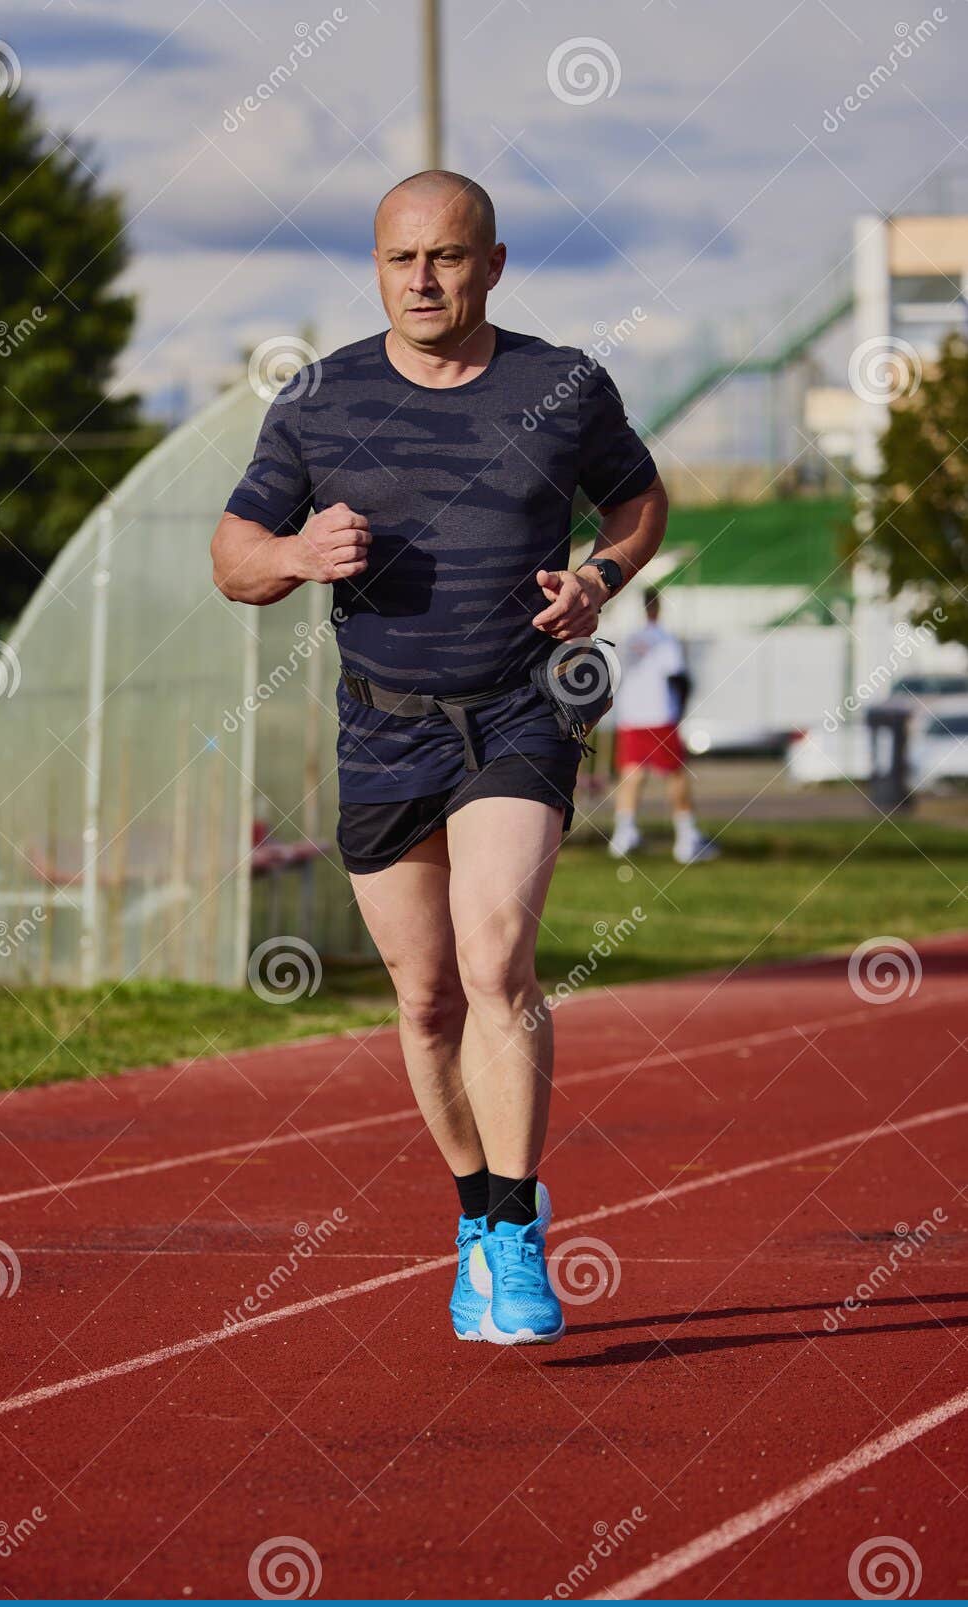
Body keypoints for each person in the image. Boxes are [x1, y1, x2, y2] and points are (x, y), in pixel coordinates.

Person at [211, 170, 667, 1344]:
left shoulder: (560, 384)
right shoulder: (319, 399)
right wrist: (299, 552)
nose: (422, 279)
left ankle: (515, 1236)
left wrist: (597, 581)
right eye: (399, 260)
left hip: (521, 704)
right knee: (423, 1002)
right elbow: (232, 558)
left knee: (497, 956)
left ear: (493, 265)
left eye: (447, 258)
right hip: (382, 723)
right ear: (375, 269)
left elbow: (637, 503)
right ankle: (474, 1210)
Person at [608, 585, 718, 864]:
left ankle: (624, 833)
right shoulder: (664, 639)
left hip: (631, 715)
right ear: (657, 607)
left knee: (632, 773)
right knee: (676, 775)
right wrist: (680, 709)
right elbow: (677, 677)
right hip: (659, 714)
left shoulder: (625, 639)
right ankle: (687, 837)